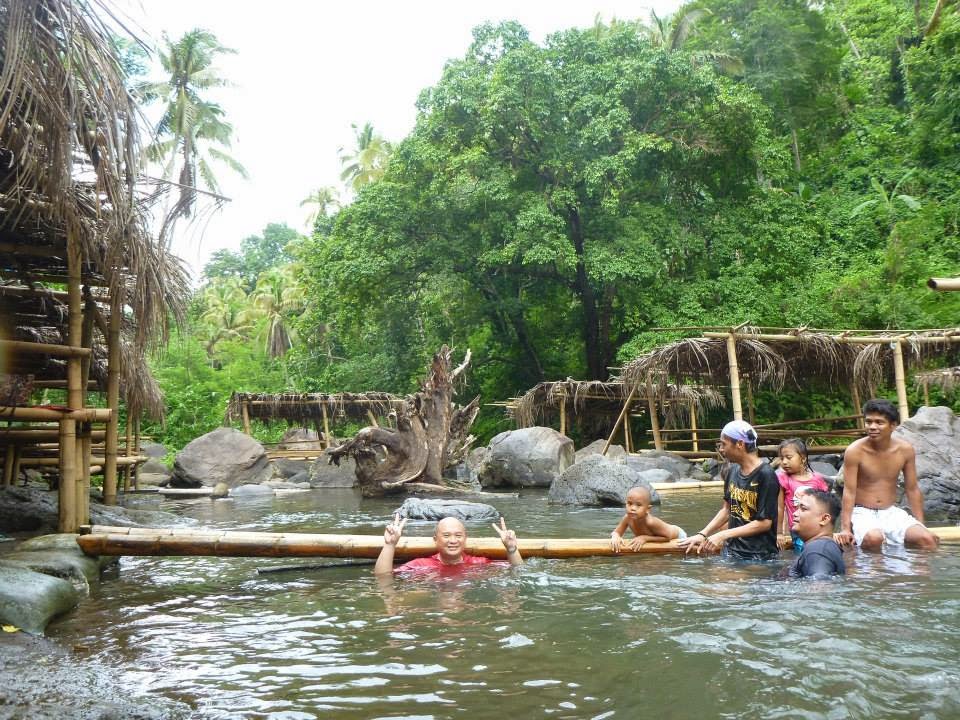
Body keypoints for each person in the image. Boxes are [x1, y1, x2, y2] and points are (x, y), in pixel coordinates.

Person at [834, 399, 939, 551]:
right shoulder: (855, 451)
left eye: (879, 422)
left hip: (890, 511)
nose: (872, 427)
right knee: (874, 538)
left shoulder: (905, 450)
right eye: (868, 422)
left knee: (927, 539)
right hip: (862, 512)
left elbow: (912, 489)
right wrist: (845, 528)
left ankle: (913, 568)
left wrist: (921, 524)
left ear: (893, 425)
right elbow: (849, 491)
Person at [678, 419, 779, 561]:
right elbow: (726, 510)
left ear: (740, 444)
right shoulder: (733, 470)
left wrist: (722, 535)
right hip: (731, 551)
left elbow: (764, 523)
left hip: (758, 556)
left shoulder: (766, 475)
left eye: (724, 444)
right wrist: (703, 534)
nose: (721, 449)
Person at [373, 514, 523, 575]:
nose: (453, 540)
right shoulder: (421, 565)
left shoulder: (478, 563)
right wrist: (390, 544)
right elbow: (383, 577)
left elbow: (518, 572)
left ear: (465, 539)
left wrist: (511, 548)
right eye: (446, 536)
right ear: (435, 539)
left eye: (458, 536)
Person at [776, 438, 829, 553]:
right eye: (782, 458)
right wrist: (779, 533)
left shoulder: (817, 479)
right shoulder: (783, 479)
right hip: (798, 530)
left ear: (803, 458)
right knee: (804, 553)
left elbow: (826, 505)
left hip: (818, 528)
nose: (784, 462)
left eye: (789, 457)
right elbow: (780, 507)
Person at [785, 488, 845, 578]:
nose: (795, 514)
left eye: (803, 509)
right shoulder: (823, 547)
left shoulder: (818, 549)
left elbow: (820, 584)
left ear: (824, 519)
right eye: (797, 508)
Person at [609, 486, 686, 552]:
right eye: (629, 503)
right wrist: (616, 537)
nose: (632, 508)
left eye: (638, 505)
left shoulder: (651, 522)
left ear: (648, 509)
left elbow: (667, 538)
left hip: (677, 536)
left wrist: (645, 538)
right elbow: (616, 532)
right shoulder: (627, 518)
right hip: (660, 535)